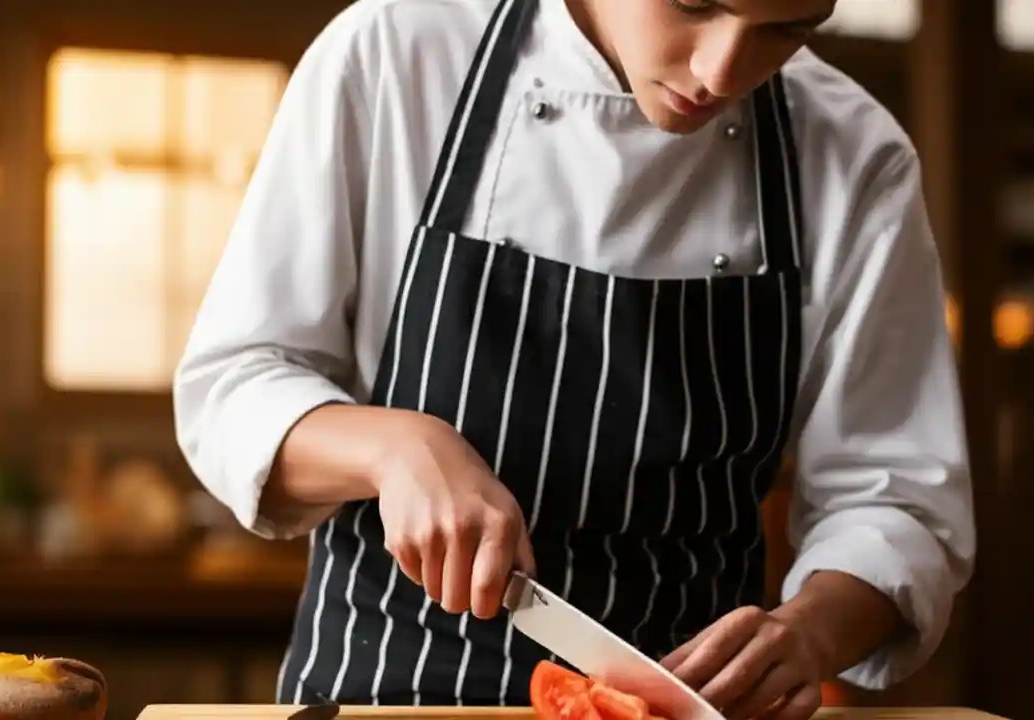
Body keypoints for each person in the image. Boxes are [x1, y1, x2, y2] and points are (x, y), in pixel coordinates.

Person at [172, 0, 976, 716]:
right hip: (384, 692)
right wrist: (394, 449)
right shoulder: (393, 53)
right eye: (695, 4)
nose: (721, 70)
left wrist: (806, 633)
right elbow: (234, 385)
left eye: (785, 30)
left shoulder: (851, 149)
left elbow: (897, 497)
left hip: (673, 701)